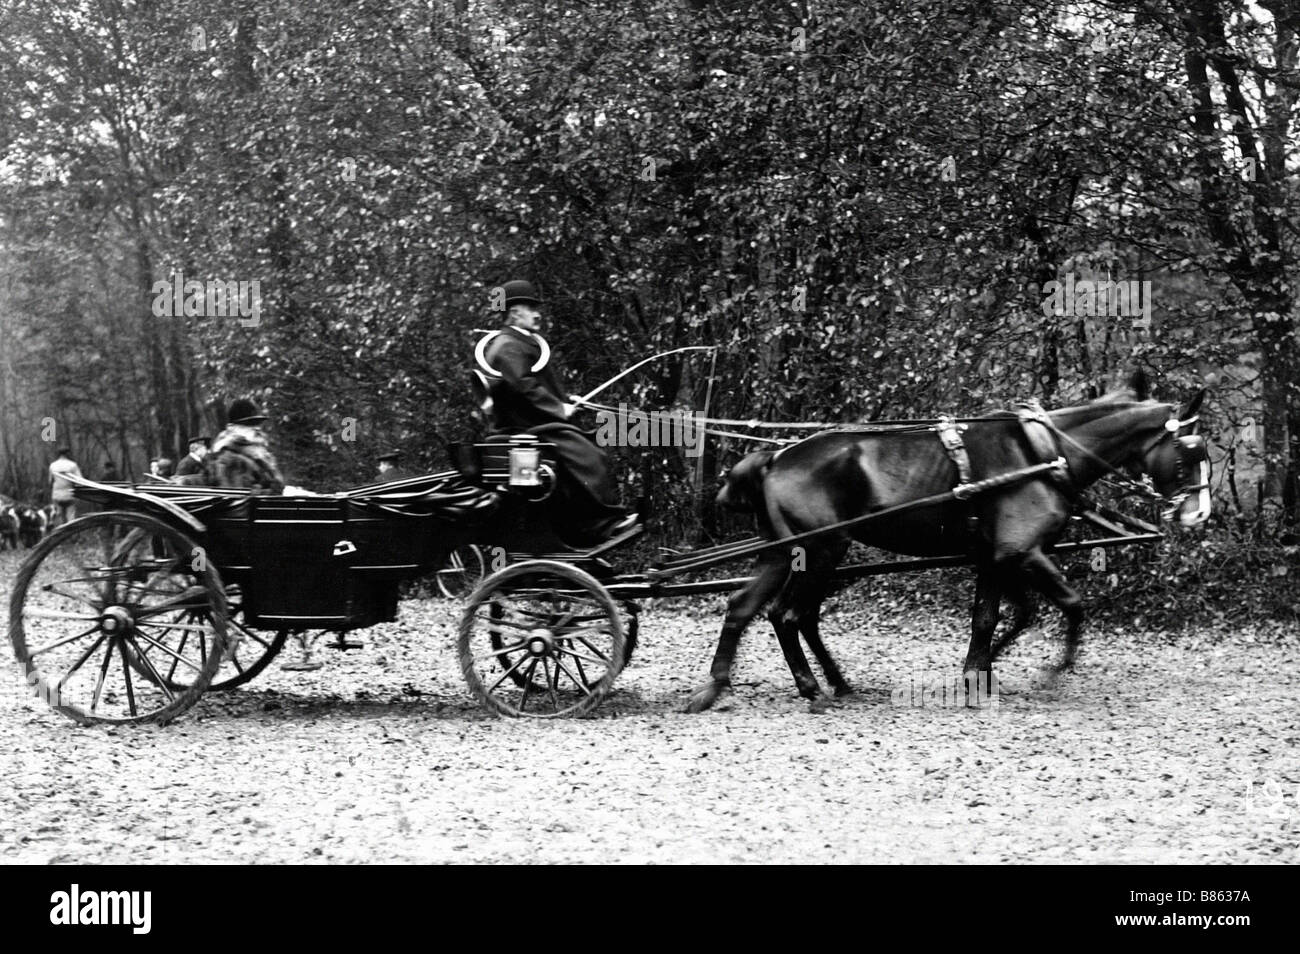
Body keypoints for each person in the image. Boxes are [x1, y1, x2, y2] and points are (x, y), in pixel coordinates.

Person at [475, 279, 637, 543]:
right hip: (524, 429)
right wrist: (559, 407)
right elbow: (524, 387)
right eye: (530, 308)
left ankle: (585, 527)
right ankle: (601, 525)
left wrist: (564, 399)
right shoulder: (508, 345)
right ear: (514, 312)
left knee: (588, 448)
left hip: (532, 424)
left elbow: (532, 384)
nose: (538, 314)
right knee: (589, 455)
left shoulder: (517, 342)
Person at [180, 399, 284, 493]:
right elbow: (235, 499)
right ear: (234, 428)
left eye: (257, 424)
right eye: (249, 424)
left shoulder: (258, 452)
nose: (256, 428)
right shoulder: (230, 459)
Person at [48, 447, 82, 527]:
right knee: (71, 516)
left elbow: (50, 482)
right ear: (67, 454)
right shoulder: (73, 465)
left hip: (57, 495)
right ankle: (71, 535)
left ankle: (60, 535)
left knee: (59, 516)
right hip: (69, 495)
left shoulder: (53, 465)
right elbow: (80, 481)